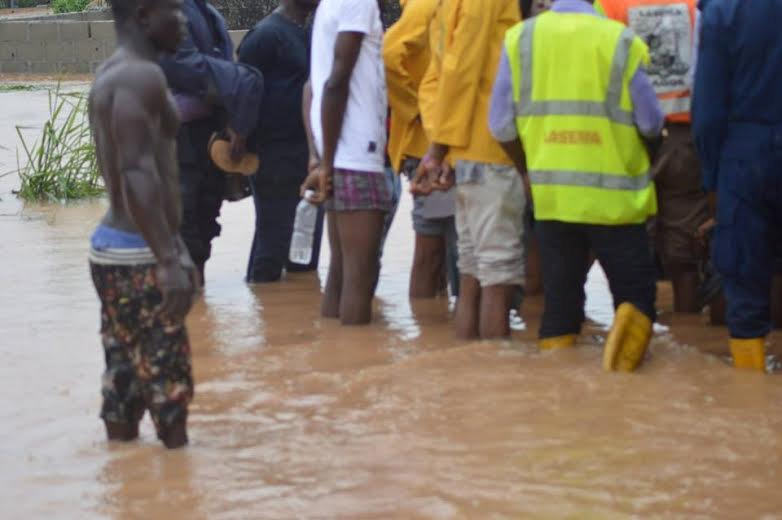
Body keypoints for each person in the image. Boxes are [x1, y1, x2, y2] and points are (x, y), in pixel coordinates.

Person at [491, 0, 665, 371]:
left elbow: (500, 125)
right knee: (635, 301)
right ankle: (628, 399)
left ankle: (559, 396)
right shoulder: (620, 40)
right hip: (617, 202)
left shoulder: (520, 39)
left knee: (560, 306)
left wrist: (527, 170)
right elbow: (651, 123)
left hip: (552, 199)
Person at [88, 0, 197, 449]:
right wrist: (168, 258)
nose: (184, 19)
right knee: (169, 390)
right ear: (145, 16)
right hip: (141, 253)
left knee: (125, 379)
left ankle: (130, 490)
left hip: (112, 247)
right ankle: (177, 496)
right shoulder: (141, 77)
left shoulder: (111, 71)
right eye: (175, 8)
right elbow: (136, 171)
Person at [414, 0, 524, 339]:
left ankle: (472, 372)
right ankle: (496, 376)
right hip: (493, 152)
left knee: (472, 271)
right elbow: (461, 68)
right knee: (497, 276)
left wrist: (442, 147)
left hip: (465, 153)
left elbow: (436, 79)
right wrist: (436, 151)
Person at [597, 0, 711, 314]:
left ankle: (636, 335)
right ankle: (686, 337)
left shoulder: (610, 5)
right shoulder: (694, 7)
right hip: (683, 138)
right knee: (684, 253)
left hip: (628, 139)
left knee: (631, 247)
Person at [692, 0, 782, 372]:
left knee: (744, 281)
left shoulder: (725, 9)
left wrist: (712, 180)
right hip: (749, 146)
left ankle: (749, 395)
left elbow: (709, 110)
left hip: (747, 157)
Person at [159, 0, 263, 286]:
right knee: (185, 221)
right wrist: (238, 83)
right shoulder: (168, 11)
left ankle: (198, 309)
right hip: (177, 134)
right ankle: (188, 307)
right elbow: (183, 66)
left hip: (209, 130)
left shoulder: (206, 12)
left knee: (206, 217)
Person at [302, 0, 391, 325]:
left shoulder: (331, 5)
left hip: (339, 152)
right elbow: (336, 80)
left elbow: (311, 88)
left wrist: (320, 157)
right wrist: (324, 162)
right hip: (356, 153)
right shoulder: (357, 2)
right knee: (360, 275)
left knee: (340, 270)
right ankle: (358, 365)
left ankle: (337, 359)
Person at [237, 0, 325, 283]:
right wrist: (238, 142)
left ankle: (295, 314)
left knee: (305, 243)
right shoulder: (265, 35)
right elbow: (242, 92)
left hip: (307, 154)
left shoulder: (309, 32)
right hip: (273, 155)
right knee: (272, 241)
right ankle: (264, 308)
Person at [384, 0, 459, 300]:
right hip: (428, 146)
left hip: (437, 144)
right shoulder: (428, 4)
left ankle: (434, 332)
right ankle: (428, 334)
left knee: (441, 252)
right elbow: (390, 54)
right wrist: (417, 109)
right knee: (431, 253)